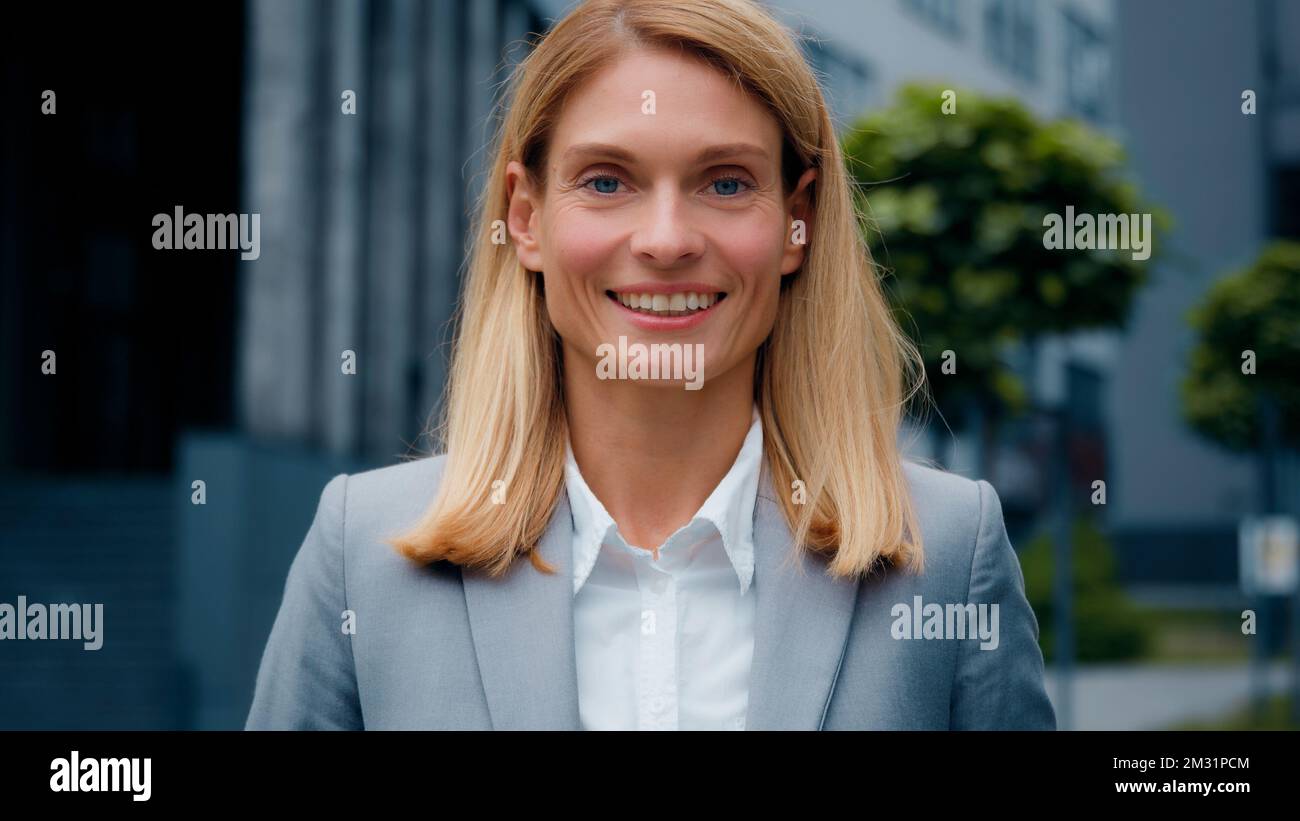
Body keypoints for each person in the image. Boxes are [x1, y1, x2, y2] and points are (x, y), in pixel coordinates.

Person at [246, 0, 1056, 731]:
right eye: (607, 181)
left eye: (726, 182)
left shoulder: (947, 552)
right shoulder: (363, 553)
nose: (667, 240)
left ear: (797, 221)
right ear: (525, 219)